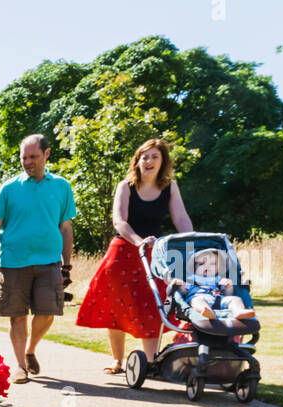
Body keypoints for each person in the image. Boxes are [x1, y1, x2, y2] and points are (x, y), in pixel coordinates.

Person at [75, 138, 194, 374]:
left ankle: (151, 362)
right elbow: (120, 221)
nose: (148, 161)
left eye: (154, 157)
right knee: (116, 307)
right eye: (144, 156)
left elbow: (181, 219)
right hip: (123, 253)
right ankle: (117, 361)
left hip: (155, 255)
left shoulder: (169, 187)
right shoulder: (126, 186)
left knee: (153, 305)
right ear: (137, 160)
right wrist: (139, 241)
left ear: (163, 162)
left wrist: (192, 241)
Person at [0, 134, 76, 385]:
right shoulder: (9, 188)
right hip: (13, 262)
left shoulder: (61, 186)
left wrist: (66, 265)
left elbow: (66, 228)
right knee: (17, 315)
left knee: (48, 312)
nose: (28, 162)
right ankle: (20, 366)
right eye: (24, 157)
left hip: (49, 262)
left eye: (33, 156)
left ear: (46, 154)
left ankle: (30, 348)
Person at [177, 248, 255, 321]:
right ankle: (206, 311)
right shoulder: (191, 279)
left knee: (235, 299)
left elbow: (228, 295)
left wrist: (229, 286)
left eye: (212, 264)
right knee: (195, 301)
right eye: (201, 264)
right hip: (199, 297)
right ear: (194, 267)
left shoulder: (219, 279)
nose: (206, 266)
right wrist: (181, 286)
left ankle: (239, 311)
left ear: (219, 268)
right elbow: (185, 292)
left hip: (219, 299)